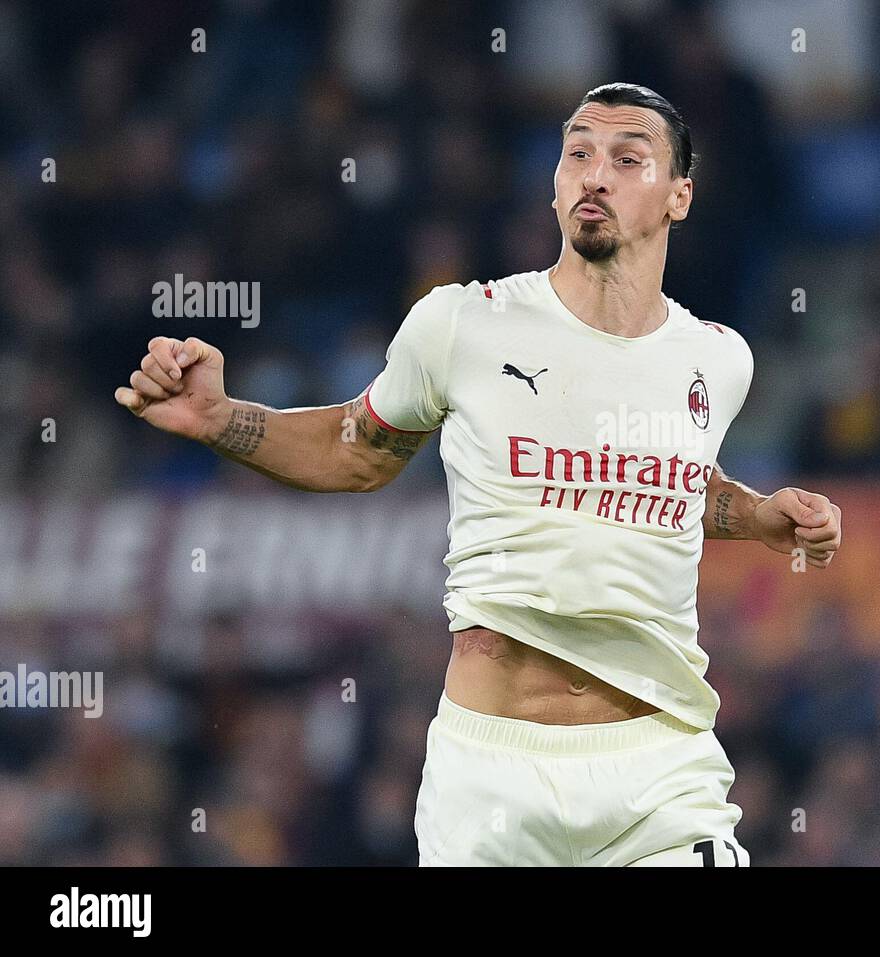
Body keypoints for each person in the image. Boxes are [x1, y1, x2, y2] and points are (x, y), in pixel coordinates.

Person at [114, 83, 842, 866]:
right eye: (578, 154)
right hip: (490, 779)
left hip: (659, 775)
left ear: (679, 196)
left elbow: (664, 477)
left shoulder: (719, 358)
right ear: (556, 184)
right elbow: (354, 450)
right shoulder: (461, 324)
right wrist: (222, 420)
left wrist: (755, 513)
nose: (596, 174)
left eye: (628, 158)